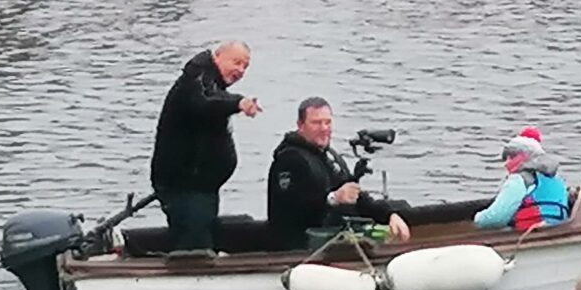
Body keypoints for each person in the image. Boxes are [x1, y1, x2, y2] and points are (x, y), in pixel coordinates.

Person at [148, 40, 259, 251]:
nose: (241, 70)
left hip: (203, 187)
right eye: (236, 62)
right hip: (184, 185)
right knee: (195, 246)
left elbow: (215, 100)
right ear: (217, 56)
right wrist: (238, 103)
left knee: (204, 235)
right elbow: (204, 104)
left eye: (245, 66)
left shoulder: (213, 84)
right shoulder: (195, 80)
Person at [265, 98, 410, 248]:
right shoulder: (289, 159)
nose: (324, 128)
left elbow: (356, 196)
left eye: (327, 122)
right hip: (298, 244)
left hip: (330, 236)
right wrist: (333, 198)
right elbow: (293, 208)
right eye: (316, 123)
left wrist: (389, 215)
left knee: (400, 206)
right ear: (300, 125)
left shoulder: (329, 156)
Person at [474, 128, 571, 232]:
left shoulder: (518, 180)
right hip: (558, 229)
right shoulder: (557, 180)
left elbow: (496, 219)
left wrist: (477, 219)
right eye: (506, 158)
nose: (506, 163)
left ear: (526, 157)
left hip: (530, 232)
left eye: (512, 156)